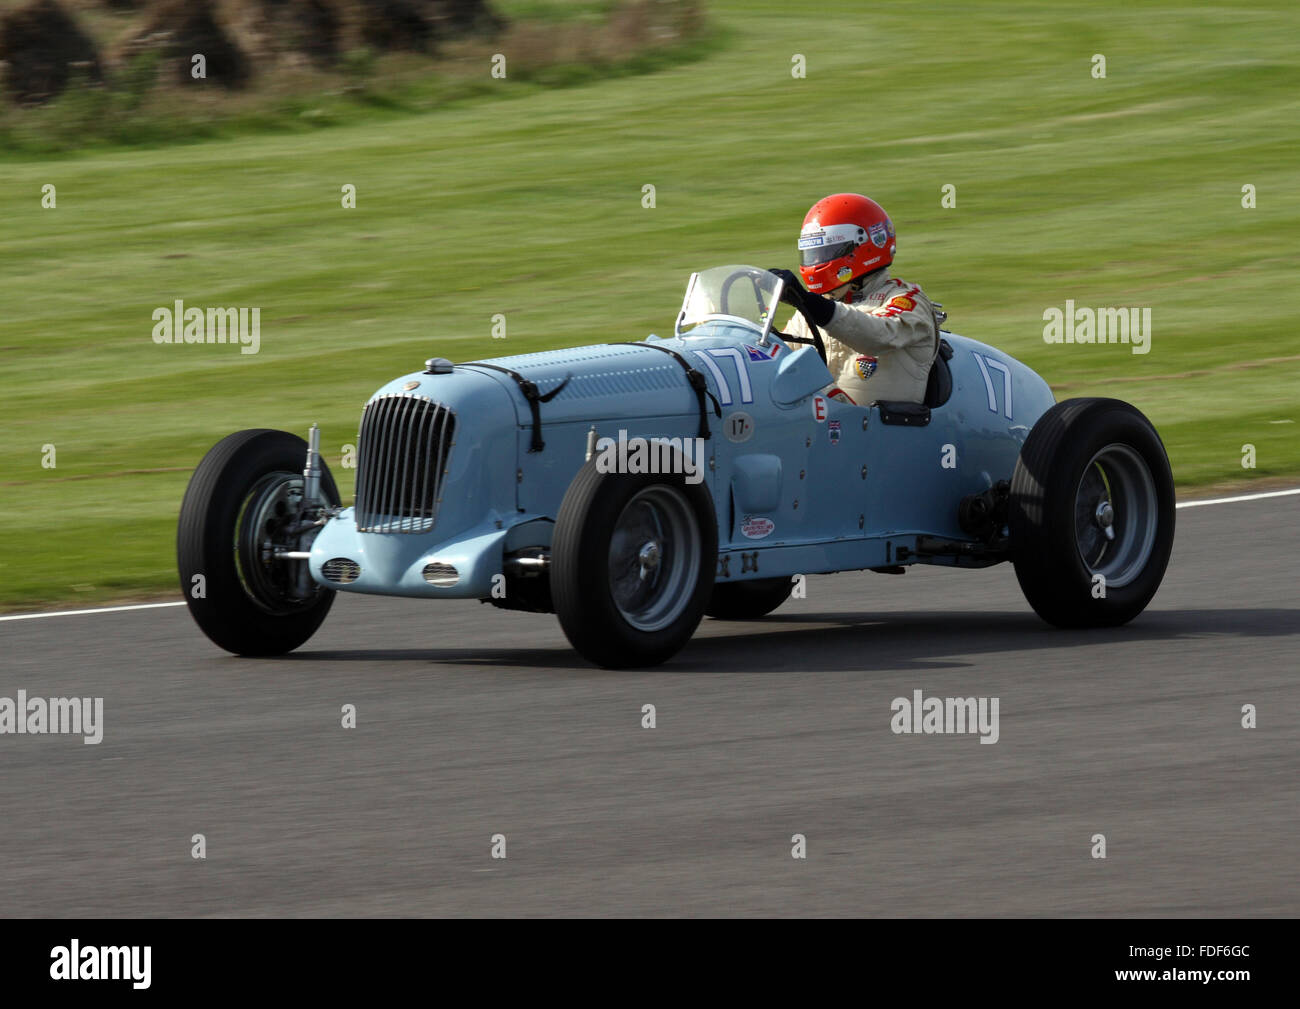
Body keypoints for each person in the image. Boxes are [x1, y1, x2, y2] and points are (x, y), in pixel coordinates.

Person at [770, 193, 942, 405]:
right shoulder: (810, 308)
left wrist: (816, 307)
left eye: (825, 251)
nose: (815, 261)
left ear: (863, 247)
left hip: (886, 432)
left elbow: (877, 336)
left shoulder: (907, 300)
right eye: (812, 252)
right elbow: (778, 358)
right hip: (822, 429)